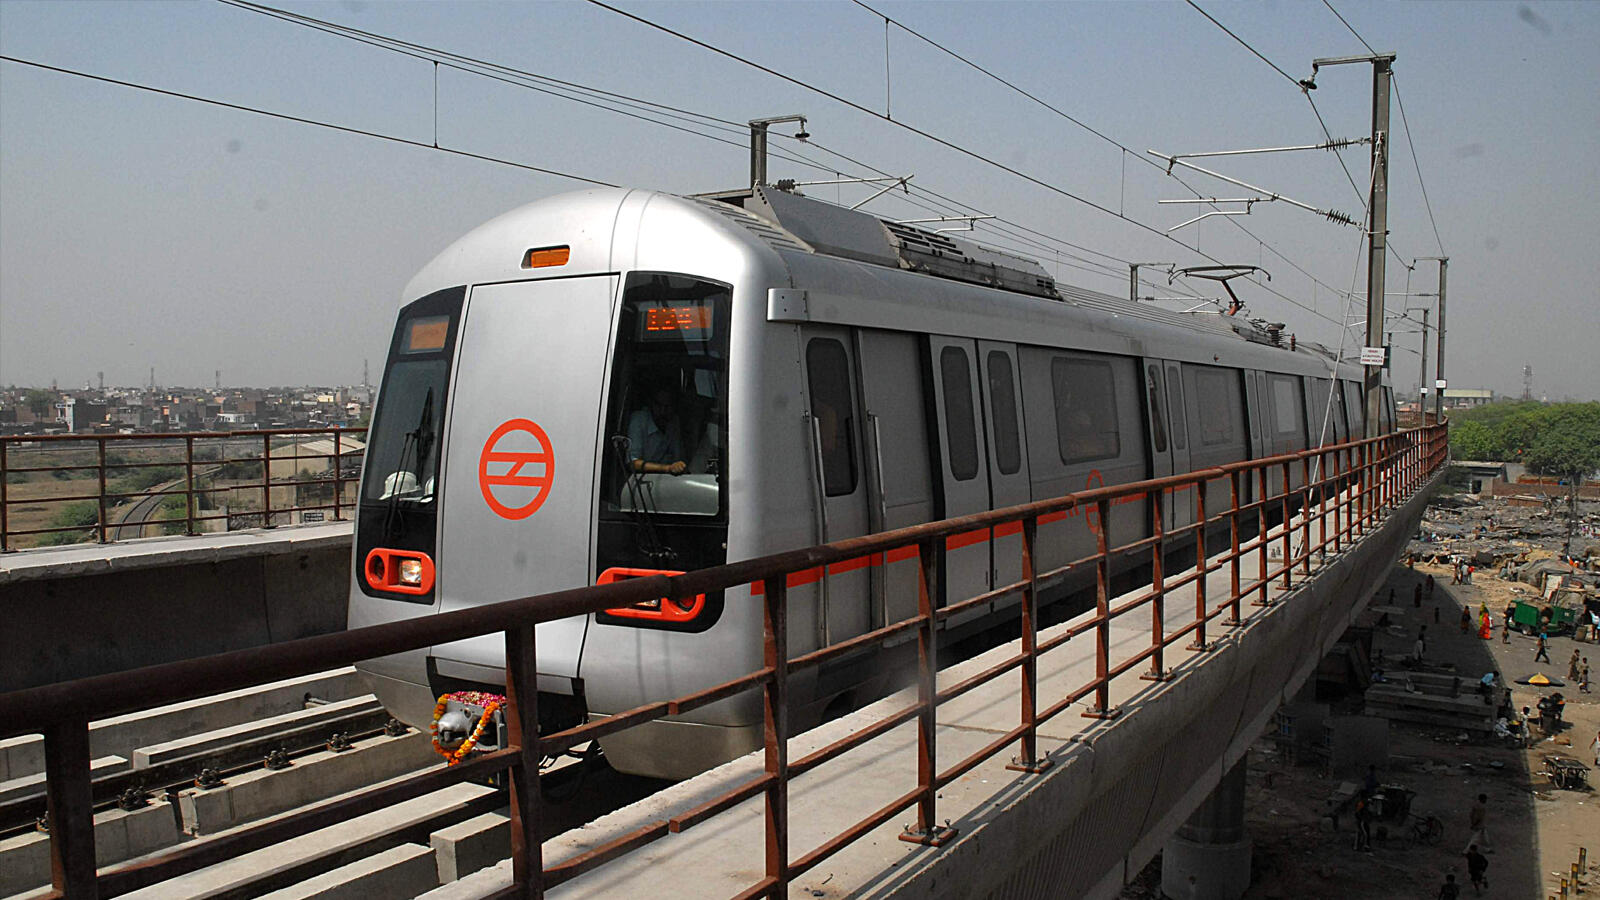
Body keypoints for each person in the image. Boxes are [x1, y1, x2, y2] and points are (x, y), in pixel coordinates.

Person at [625, 385, 687, 475]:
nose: (662, 411)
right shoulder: (639, 420)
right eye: (658, 405)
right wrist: (667, 468)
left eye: (667, 406)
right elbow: (632, 463)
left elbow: (678, 459)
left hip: (668, 481)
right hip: (640, 482)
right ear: (651, 404)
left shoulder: (674, 422)